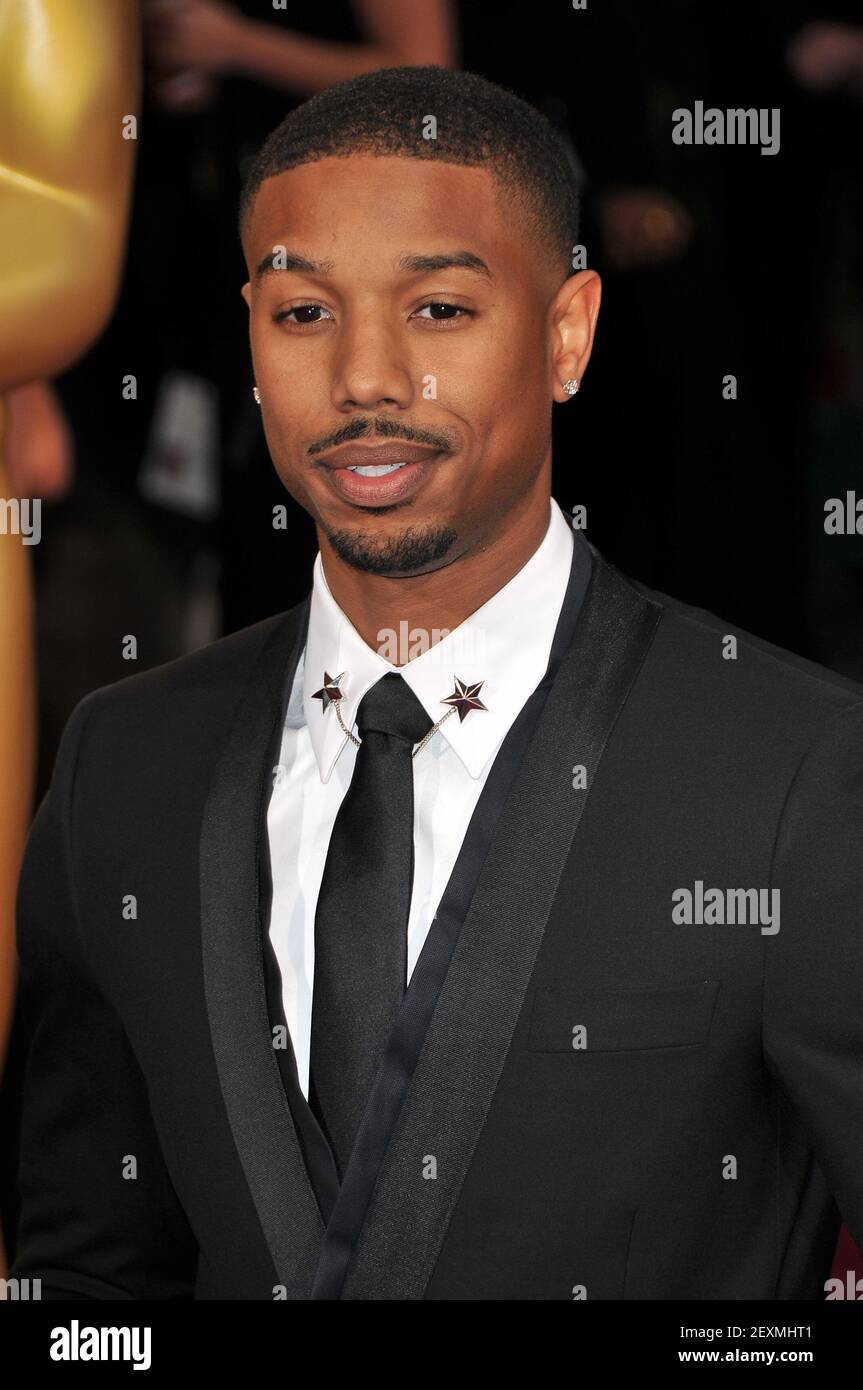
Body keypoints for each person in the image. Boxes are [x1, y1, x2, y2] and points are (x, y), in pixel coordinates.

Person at [9, 66, 863, 1301]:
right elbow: (93, 1284)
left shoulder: (793, 770)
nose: (363, 378)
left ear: (567, 331)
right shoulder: (123, 763)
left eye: (440, 310)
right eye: (302, 313)